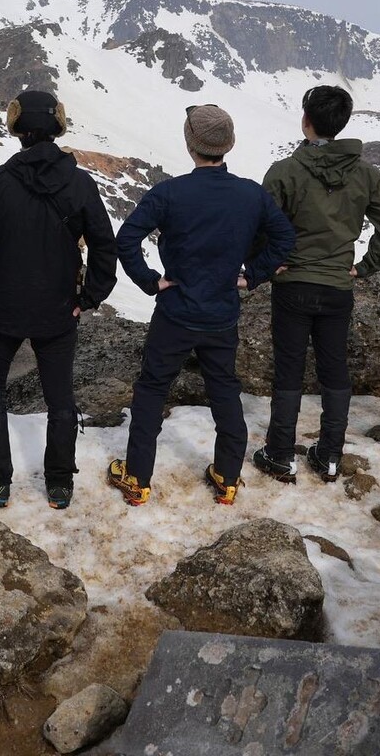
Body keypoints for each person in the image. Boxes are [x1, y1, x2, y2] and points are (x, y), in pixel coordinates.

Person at [108, 104, 296, 506]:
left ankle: (138, 478)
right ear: (228, 144)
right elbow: (284, 240)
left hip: (175, 310)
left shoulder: (169, 193)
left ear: (190, 143)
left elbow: (125, 240)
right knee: (224, 389)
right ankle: (227, 477)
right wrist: (251, 276)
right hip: (222, 313)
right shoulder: (251, 194)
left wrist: (151, 282)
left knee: (152, 390)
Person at [0, 90, 118, 510]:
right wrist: (90, 295)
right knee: (60, 397)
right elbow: (104, 244)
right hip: (59, 309)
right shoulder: (79, 182)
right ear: (57, 126)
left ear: (17, 128)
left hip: (4, 306)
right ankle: (59, 485)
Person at [251, 86, 380, 484]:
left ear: (306, 120)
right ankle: (330, 454)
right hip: (338, 286)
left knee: (289, 369)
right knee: (334, 369)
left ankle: (281, 454)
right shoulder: (366, 174)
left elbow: (260, 226)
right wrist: (366, 267)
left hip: (293, 283)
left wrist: (268, 265)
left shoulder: (285, 171)